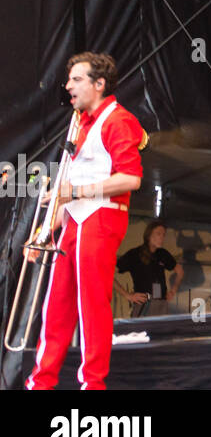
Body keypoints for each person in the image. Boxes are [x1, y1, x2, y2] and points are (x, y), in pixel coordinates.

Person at [26, 53, 144, 390]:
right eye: (69, 80)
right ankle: (41, 382)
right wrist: (44, 232)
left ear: (99, 84)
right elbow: (68, 188)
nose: (68, 86)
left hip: (102, 216)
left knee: (91, 304)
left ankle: (93, 384)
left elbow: (131, 179)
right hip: (77, 219)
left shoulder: (117, 120)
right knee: (57, 304)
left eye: (76, 79)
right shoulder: (80, 123)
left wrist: (76, 190)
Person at [115, 219, 183, 317]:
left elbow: (180, 271)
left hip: (161, 304)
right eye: (158, 234)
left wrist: (173, 290)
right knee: (142, 332)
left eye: (164, 235)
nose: (162, 238)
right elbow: (108, 273)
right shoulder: (134, 254)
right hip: (143, 304)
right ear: (149, 235)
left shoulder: (162, 254)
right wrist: (127, 295)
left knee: (162, 331)